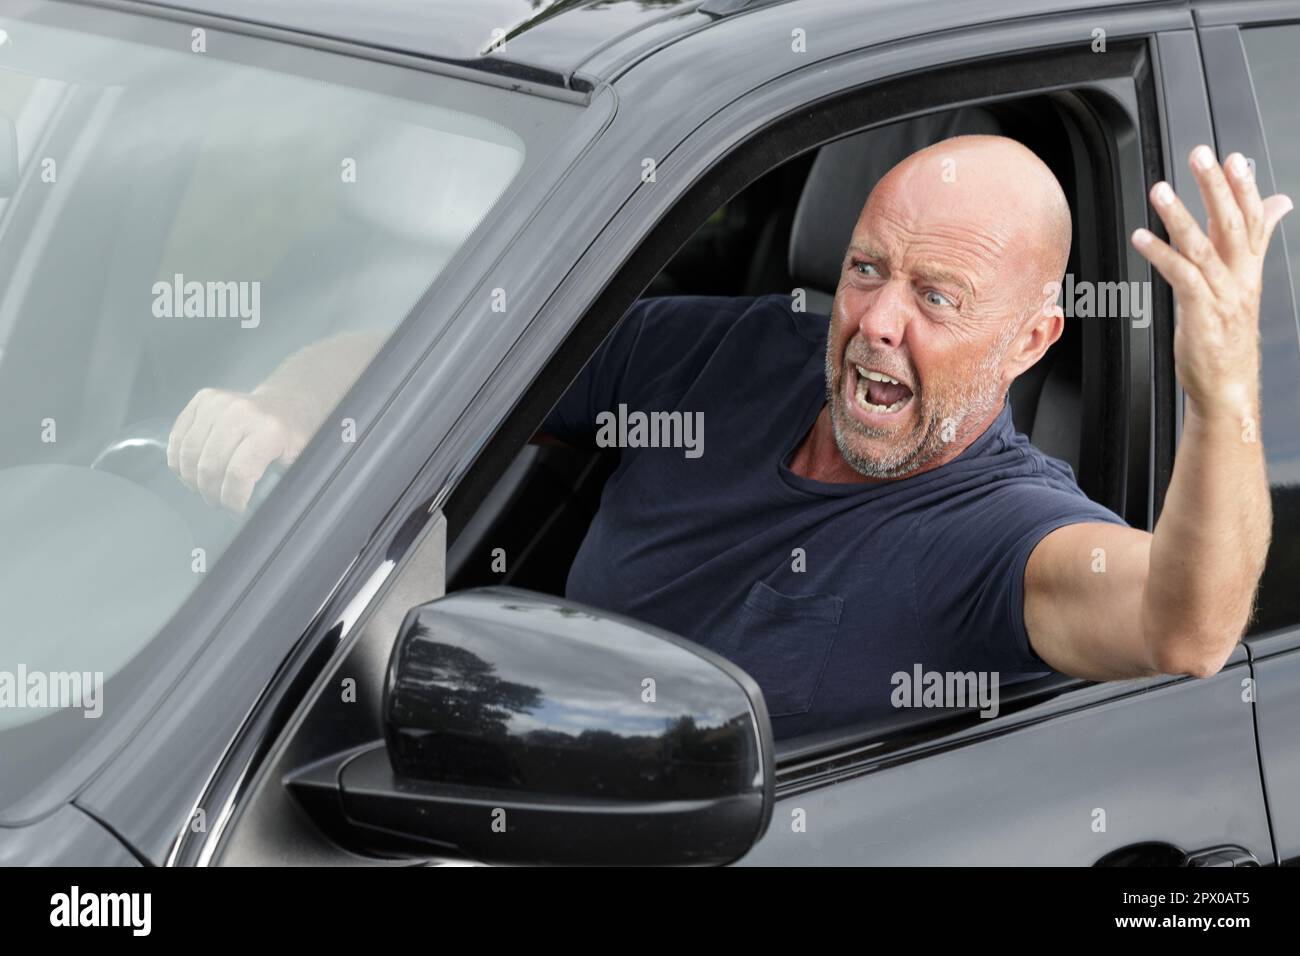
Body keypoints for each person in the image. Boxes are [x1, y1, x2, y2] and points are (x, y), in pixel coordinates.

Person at [165, 135, 1293, 737]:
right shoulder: (735, 353)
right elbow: (440, 356)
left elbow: (1184, 627)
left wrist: (1224, 392)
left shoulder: (1011, 534)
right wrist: (288, 404)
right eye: (866, 269)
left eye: (937, 298)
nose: (877, 320)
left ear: (1034, 336)